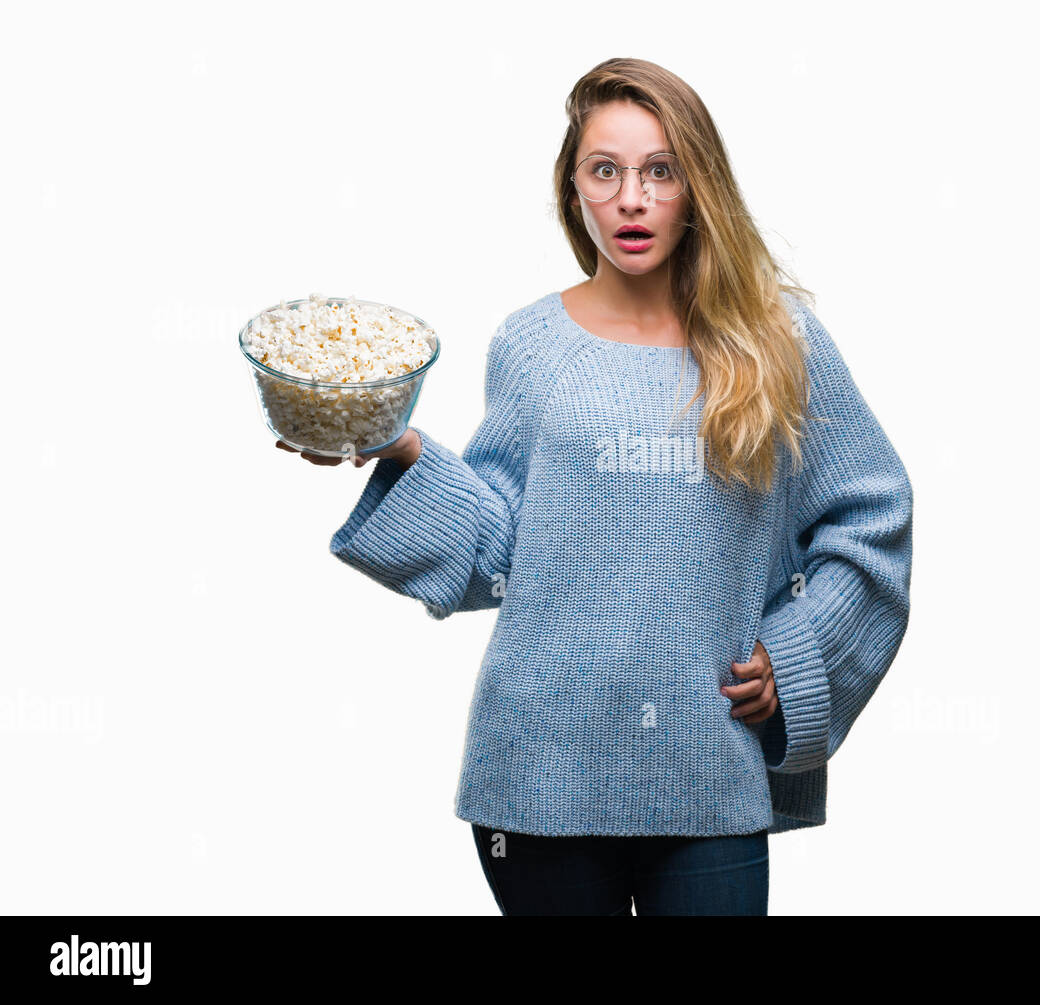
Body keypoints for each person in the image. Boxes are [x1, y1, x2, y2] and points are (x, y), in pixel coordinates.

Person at [277, 58, 913, 916]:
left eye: (661, 170)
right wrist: (399, 446)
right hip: (540, 776)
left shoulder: (776, 341)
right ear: (573, 188)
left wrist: (798, 655)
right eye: (604, 170)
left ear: (698, 186)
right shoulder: (532, 343)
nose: (632, 197)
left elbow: (873, 509)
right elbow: (502, 549)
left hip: (707, 767)